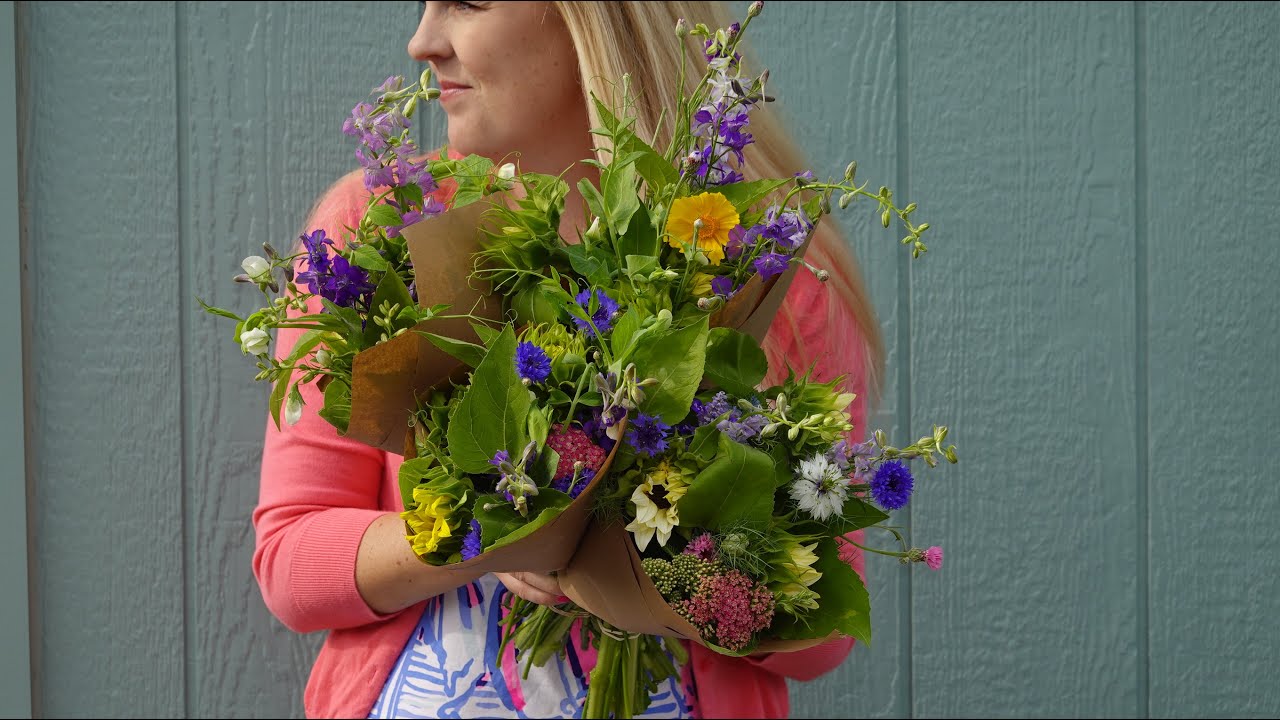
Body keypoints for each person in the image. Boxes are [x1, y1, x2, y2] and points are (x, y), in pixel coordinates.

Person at [252, 1, 885, 718]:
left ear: (591, 18)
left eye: (466, 2)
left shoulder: (761, 264)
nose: (421, 42)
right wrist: (491, 532)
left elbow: (827, 627)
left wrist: (660, 557)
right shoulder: (376, 234)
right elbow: (291, 559)